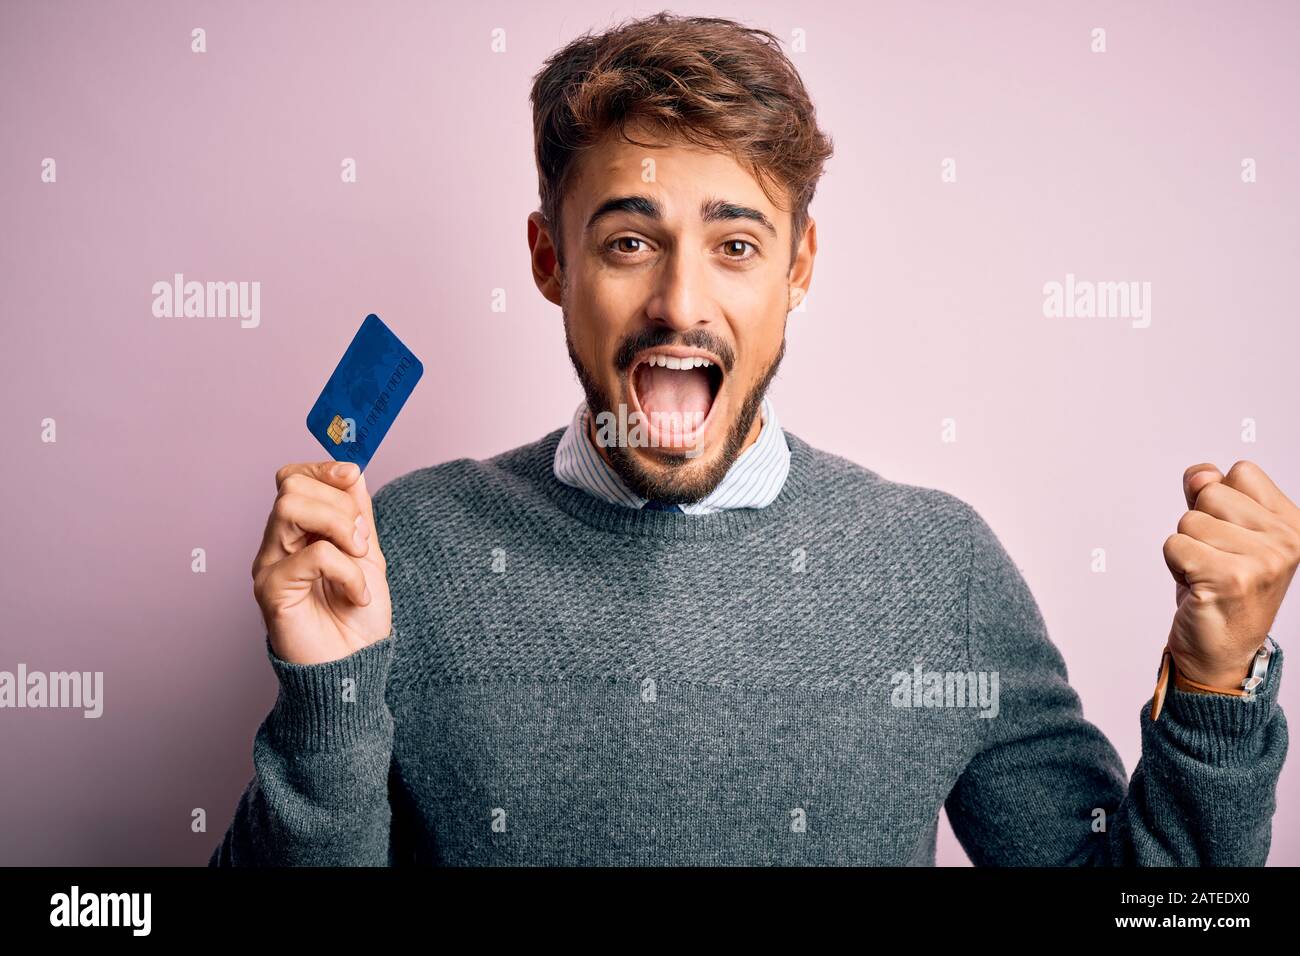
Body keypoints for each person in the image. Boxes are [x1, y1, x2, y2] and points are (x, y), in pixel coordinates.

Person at [210, 12, 1292, 866]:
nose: (681, 301)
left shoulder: (935, 570)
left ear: (799, 267)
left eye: (735, 242)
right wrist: (327, 703)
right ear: (550, 261)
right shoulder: (407, 548)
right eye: (629, 239)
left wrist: (1211, 685)